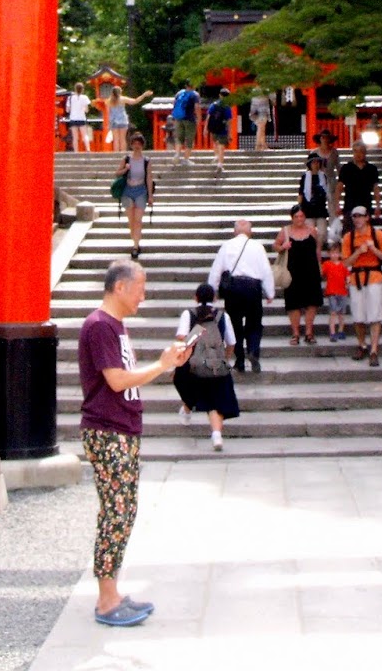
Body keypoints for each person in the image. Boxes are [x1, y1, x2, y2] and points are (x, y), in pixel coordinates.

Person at [78, 258, 189, 627]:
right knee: (116, 513)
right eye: (140, 287)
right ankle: (106, 600)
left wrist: (166, 363)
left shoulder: (115, 326)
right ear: (120, 286)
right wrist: (161, 365)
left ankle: (112, 592)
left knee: (122, 512)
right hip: (108, 429)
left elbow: (126, 378)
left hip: (120, 427)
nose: (143, 294)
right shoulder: (100, 327)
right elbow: (116, 380)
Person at [174, 283, 240, 452]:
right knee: (215, 401)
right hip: (216, 365)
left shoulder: (189, 314)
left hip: (192, 363)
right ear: (215, 298)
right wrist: (223, 358)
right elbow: (231, 342)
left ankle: (187, 409)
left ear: (195, 297)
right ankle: (216, 435)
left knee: (183, 381)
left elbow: (182, 338)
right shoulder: (222, 316)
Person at [207, 219, 275, 374]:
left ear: (234, 231)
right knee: (255, 323)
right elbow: (266, 271)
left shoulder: (227, 246)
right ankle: (253, 350)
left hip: (233, 289)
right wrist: (269, 292)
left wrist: (212, 291)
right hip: (253, 288)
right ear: (250, 232)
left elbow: (216, 270)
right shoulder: (258, 247)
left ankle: (240, 361)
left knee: (235, 325)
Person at [342, 205, 382, 366]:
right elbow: (345, 263)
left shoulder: (377, 234)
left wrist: (373, 249)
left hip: (374, 277)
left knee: (375, 315)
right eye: (354, 216)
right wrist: (358, 252)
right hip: (356, 277)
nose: (357, 219)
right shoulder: (348, 237)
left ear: (367, 217)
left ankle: (374, 349)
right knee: (358, 316)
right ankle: (362, 344)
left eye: (360, 216)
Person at [275, 204, 323, 344]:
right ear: (292, 218)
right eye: (296, 216)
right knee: (293, 303)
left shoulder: (312, 231)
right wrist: (283, 247)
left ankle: (309, 332)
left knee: (312, 302)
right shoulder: (285, 231)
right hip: (293, 271)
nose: (299, 219)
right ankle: (295, 333)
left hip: (311, 270)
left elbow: (317, 250)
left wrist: (320, 266)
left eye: (301, 216)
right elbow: (275, 245)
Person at [114, 132, 153, 258]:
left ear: (142, 146)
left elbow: (149, 178)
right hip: (128, 191)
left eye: (139, 144)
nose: (137, 146)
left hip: (141, 190)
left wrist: (150, 195)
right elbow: (117, 173)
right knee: (131, 220)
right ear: (131, 145)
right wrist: (125, 169)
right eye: (134, 143)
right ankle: (135, 241)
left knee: (138, 220)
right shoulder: (126, 159)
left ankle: (136, 246)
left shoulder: (146, 161)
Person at [337, 140, 382, 222]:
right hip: (349, 205)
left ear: (365, 153)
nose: (358, 154)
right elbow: (339, 187)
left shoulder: (371, 169)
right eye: (355, 151)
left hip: (366, 204)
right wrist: (337, 204)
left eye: (361, 151)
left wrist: (378, 206)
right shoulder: (346, 168)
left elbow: (376, 188)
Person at [104, 84, 153, 151]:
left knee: (116, 139)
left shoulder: (108, 101)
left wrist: (108, 123)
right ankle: (123, 154)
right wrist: (144, 95)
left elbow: (108, 113)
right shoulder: (123, 99)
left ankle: (116, 154)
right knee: (122, 138)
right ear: (120, 92)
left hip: (114, 121)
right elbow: (135, 101)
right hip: (123, 120)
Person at [321, 243, 349, 343]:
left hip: (342, 292)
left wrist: (348, 282)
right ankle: (332, 332)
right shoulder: (327, 264)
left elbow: (348, 276)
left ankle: (341, 330)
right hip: (332, 292)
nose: (334, 255)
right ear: (329, 254)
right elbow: (321, 272)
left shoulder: (343, 265)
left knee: (341, 313)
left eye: (337, 253)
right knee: (333, 313)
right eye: (332, 253)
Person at [314, 131, 341, 233]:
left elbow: (338, 167)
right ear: (320, 139)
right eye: (323, 137)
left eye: (327, 137)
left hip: (331, 180)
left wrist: (341, 181)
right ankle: (321, 232)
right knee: (319, 207)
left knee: (332, 208)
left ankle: (333, 233)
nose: (325, 139)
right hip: (319, 182)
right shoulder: (314, 153)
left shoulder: (334, 152)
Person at [169, 81, 200, 166]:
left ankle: (177, 154)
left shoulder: (179, 93)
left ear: (185, 85)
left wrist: (175, 116)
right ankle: (186, 159)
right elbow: (196, 107)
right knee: (189, 139)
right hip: (189, 119)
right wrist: (199, 118)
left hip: (178, 118)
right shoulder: (195, 94)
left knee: (179, 138)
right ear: (194, 85)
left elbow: (174, 103)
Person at [205, 88, 234, 172]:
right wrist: (229, 133)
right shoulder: (227, 107)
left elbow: (208, 117)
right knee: (221, 146)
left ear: (219, 95)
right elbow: (229, 121)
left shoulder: (213, 105)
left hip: (213, 127)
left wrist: (206, 128)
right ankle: (220, 164)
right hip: (223, 128)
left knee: (215, 143)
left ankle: (216, 156)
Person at [296, 153, 329, 221]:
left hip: (320, 208)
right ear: (310, 164)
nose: (316, 164)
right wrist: (299, 207)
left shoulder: (323, 176)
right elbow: (301, 192)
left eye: (318, 162)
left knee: (322, 230)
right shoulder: (305, 177)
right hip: (308, 208)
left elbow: (326, 192)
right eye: (314, 162)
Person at [66, 83, 93, 151]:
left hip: (73, 118)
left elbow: (67, 110)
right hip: (81, 118)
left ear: (75, 89)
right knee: (85, 135)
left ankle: (76, 151)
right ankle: (88, 149)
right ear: (82, 89)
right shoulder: (84, 97)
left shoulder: (70, 98)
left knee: (75, 137)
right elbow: (86, 110)